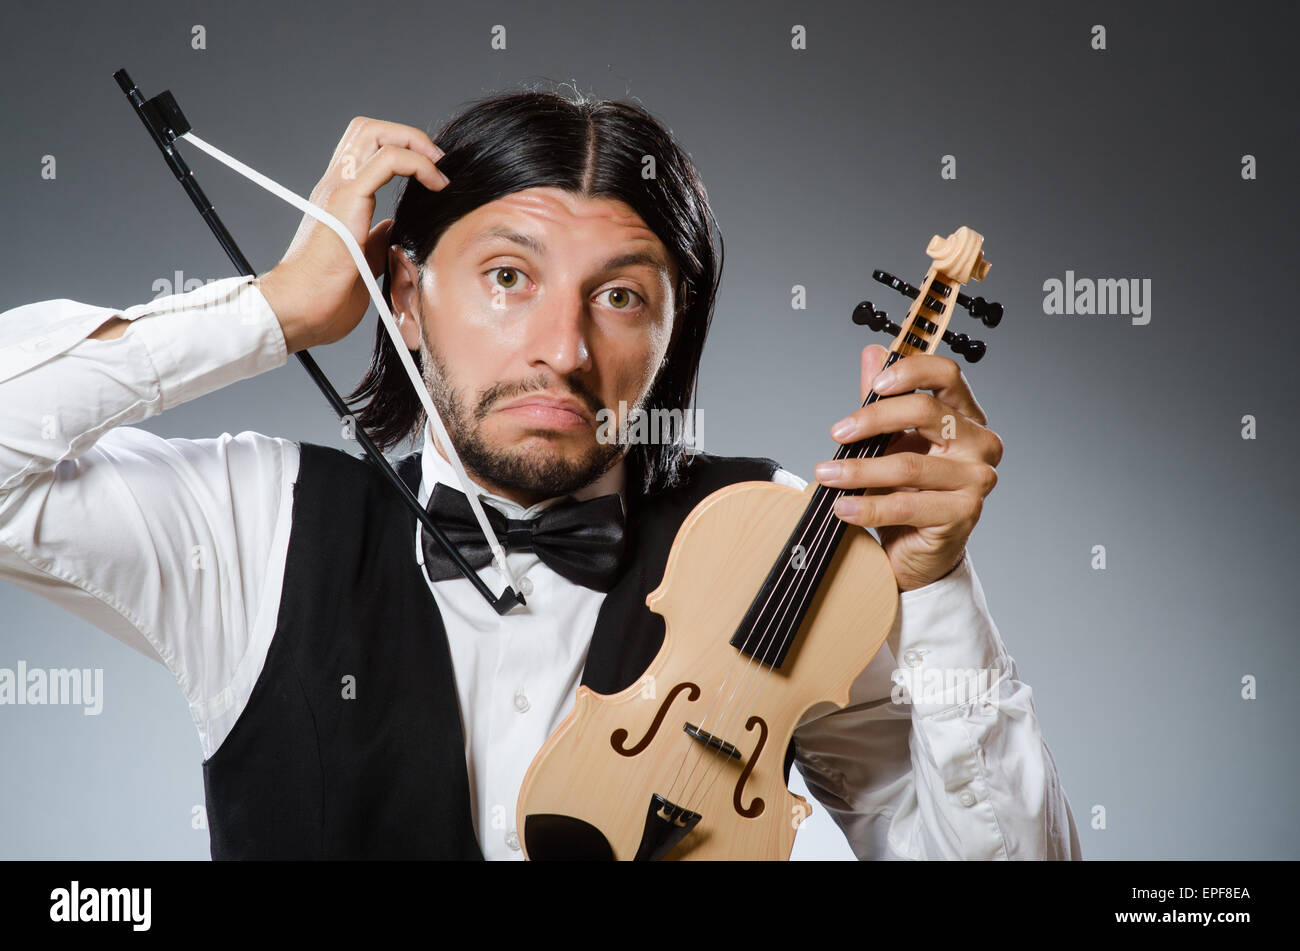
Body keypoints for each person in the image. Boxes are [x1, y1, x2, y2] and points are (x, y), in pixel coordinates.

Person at [0, 89, 1080, 860]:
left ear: (670, 335)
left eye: (621, 297)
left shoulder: (773, 552)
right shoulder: (248, 525)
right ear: (407, 298)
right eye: (508, 277)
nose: (560, 349)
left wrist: (935, 590)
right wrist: (279, 309)